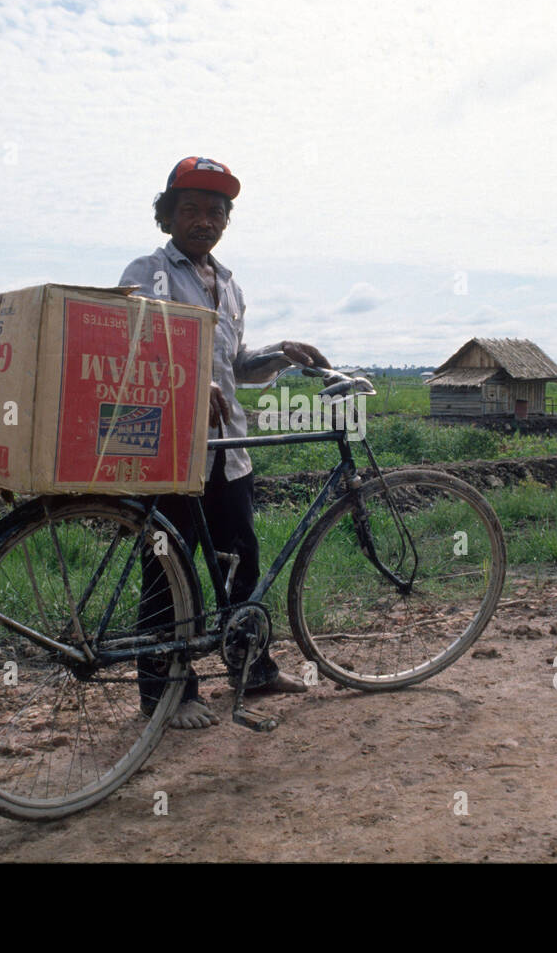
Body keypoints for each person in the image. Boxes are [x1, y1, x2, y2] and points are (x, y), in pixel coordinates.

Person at [120, 156, 330, 730]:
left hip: (227, 450)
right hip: (169, 449)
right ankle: (166, 693)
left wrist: (280, 355)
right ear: (167, 217)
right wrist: (191, 377)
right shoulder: (147, 272)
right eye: (191, 209)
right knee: (169, 568)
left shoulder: (230, 285)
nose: (204, 220)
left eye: (216, 211)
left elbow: (236, 367)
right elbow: (130, 341)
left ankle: (251, 669)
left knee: (243, 560)